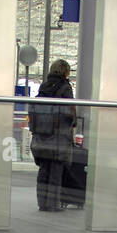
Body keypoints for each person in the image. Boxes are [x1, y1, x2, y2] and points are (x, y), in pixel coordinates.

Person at [29, 59, 75, 211]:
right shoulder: (65, 88)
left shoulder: (44, 86)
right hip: (58, 137)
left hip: (41, 136)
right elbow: (70, 113)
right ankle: (53, 204)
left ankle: (42, 203)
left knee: (43, 170)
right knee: (56, 171)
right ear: (65, 72)